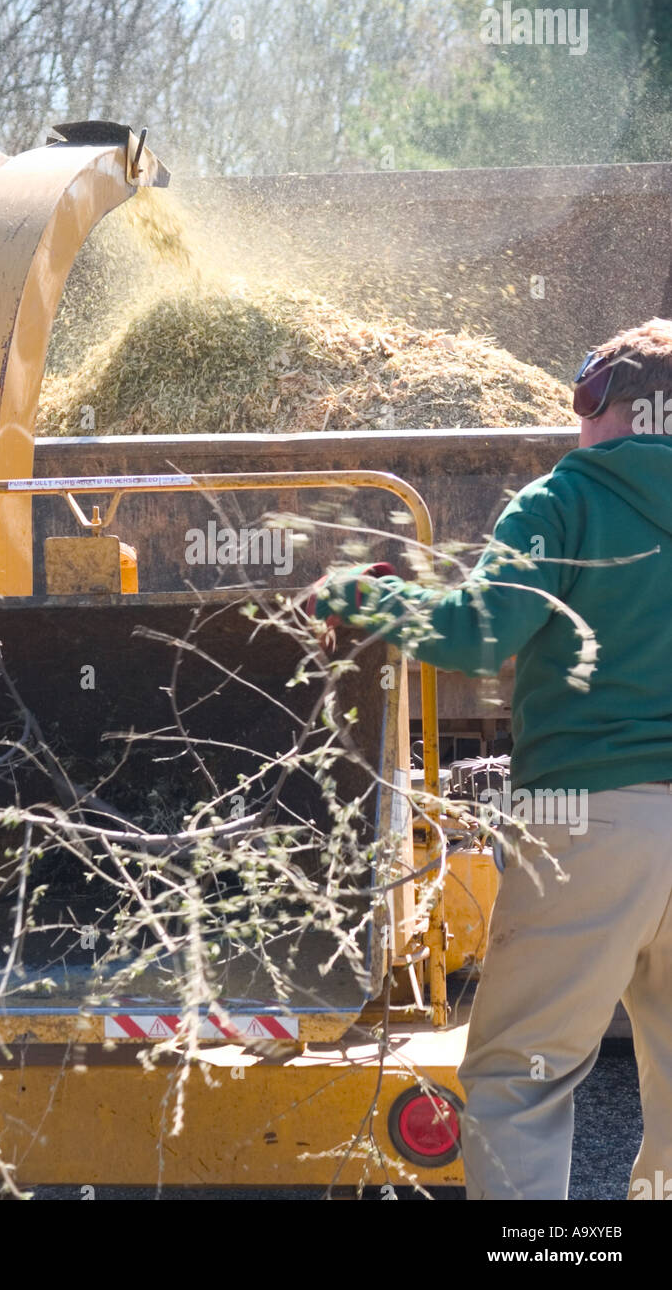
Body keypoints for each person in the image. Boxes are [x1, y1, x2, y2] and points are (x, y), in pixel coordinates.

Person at [309, 318, 672, 1200]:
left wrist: (364, 594)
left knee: (524, 1077)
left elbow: (477, 635)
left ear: (600, 403)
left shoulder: (564, 501)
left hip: (589, 819)